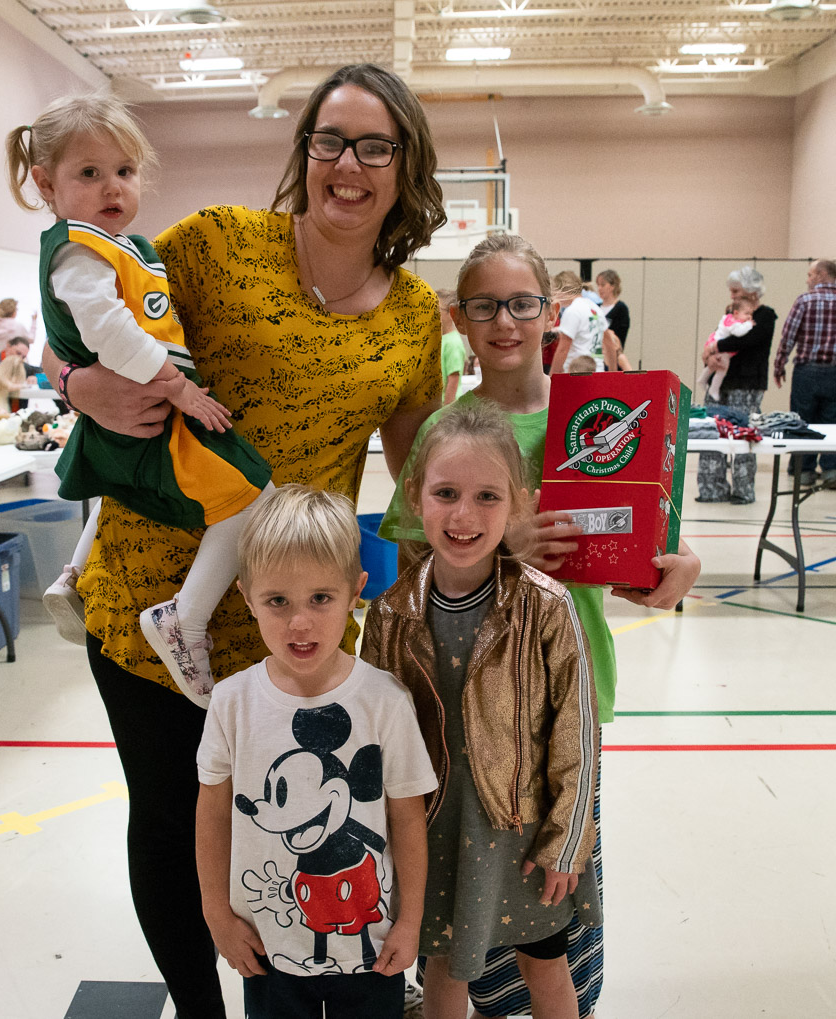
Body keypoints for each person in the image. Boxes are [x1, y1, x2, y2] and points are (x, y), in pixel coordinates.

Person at [39, 64, 447, 1019]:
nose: (349, 165)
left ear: (406, 166)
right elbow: (79, 309)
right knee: (171, 819)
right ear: (305, 151)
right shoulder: (217, 243)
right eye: (330, 140)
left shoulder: (414, 315)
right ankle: (200, 1010)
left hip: (298, 621)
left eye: (376, 146)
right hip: (153, 599)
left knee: (292, 824)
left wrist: (528, 551)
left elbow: (420, 476)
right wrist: (74, 383)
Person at [377, 233, 701, 1019]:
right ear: (460, 317)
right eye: (485, 305)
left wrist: (677, 564)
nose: (505, 322)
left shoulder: (600, 417)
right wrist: (504, 544)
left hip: (564, 694)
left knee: (553, 894)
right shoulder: (445, 430)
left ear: (552, 311)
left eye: (522, 303)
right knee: (459, 901)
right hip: (459, 698)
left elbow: (643, 535)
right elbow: (411, 558)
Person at [6, 90, 277, 698]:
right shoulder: (80, 252)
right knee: (254, 496)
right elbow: (108, 332)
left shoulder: (118, 248)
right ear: (46, 183)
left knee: (120, 487)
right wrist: (177, 386)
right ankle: (185, 618)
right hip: (153, 400)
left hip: (135, 404)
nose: (113, 188)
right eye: (90, 173)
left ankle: (74, 572)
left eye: (124, 172)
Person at [363, 399, 600, 1019]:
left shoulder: (547, 607)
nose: (464, 516)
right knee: (442, 967)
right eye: (445, 493)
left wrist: (566, 841)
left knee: (544, 967)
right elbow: (373, 741)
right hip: (429, 834)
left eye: (488, 497)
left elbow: (577, 735)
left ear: (519, 503)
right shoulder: (390, 615)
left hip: (523, 830)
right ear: (414, 496)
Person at [196, 485, 434, 1018]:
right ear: (246, 597)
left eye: (320, 598)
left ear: (356, 592)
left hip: (372, 948)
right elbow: (212, 813)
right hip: (267, 945)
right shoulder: (231, 702)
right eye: (277, 601)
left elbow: (407, 818)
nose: (299, 622)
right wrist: (216, 913)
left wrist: (411, 921)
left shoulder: (385, 700)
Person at [772, 259, 836, 488]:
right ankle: (831, 471)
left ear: (822, 274)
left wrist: (779, 364)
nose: (808, 279)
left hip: (806, 371)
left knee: (803, 421)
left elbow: (788, 336)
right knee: (832, 422)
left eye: (810, 274)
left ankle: (803, 471)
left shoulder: (804, 301)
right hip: (835, 373)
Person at [698, 266, 777, 505]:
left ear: (752, 291)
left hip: (747, 383)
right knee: (711, 431)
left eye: (736, 291)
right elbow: (718, 336)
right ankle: (711, 488)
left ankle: (743, 489)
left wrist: (716, 348)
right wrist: (708, 355)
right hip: (720, 380)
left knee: (744, 435)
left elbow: (747, 340)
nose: (731, 296)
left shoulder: (765, 316)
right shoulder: (731, 314)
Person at [697, 297, 753, 404]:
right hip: (721, 353)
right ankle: (712, 387)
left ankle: (704, 380)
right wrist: (749, 324)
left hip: (718, 350)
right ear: (735, 313)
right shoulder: (734, 324)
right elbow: (737, 334)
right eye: (746, 314)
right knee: (721, 368)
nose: (748, 317)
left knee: (715, 366)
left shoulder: (727, 322)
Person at [548, 270, 605, 374]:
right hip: (597, 369)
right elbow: (607, 340)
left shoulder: (573, 311)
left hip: (578, 371)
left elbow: (563, 349)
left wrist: (552, 376)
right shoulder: (595, 308)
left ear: (562, 290)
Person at [595, 270, 630, 372]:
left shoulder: (621, 308)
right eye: (598, 285)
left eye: (603, 285)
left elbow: (619, 336)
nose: (599, 288)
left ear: (612, 286)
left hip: (611, 358)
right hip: (596, 357)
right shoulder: (595, 307)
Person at [437, 288, 467, 404]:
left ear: (451, 313)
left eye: (436, 309)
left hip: (447, 405)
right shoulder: (441, 340)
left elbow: (453, 378)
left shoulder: (453, 343)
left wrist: (445, 409)